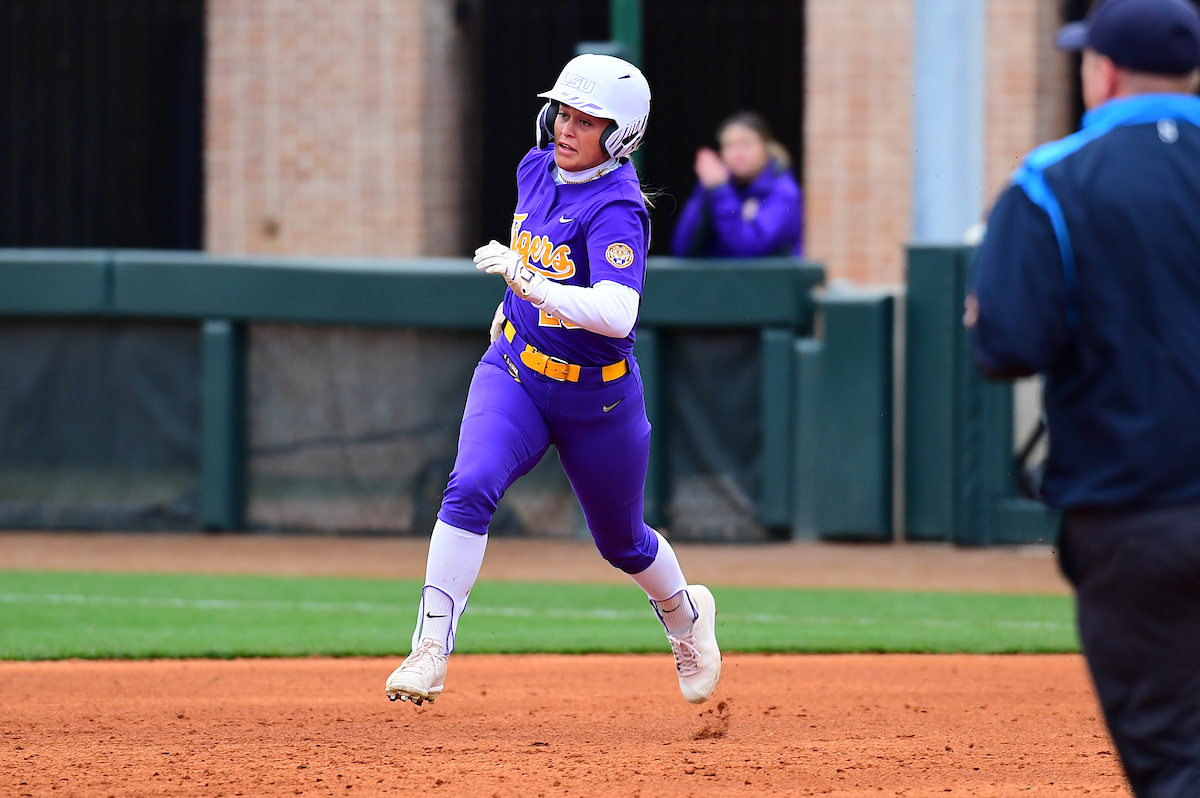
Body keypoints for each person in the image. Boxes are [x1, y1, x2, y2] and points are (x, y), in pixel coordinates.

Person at [384, 54, 722, 708]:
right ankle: (429, 648)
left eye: (587, 119)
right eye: (564, 111)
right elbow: (533, 251)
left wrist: (526, 280)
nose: (567, 127)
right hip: (514, 372)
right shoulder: (534, 168)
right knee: (470, 484)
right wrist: (510, 304)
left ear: (619, 134)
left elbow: (618, 311)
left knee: (622, 543)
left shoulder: (619, 206)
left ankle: (686, 618)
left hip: (597, 396)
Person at [966, 0, 1200, 794]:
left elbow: (1004, 347)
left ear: (1101, 71)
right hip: (1140, 512)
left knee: (1176, 762)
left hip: (1136, 516)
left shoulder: (1053, 180)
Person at [670, 112, 803, 258]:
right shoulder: (716, 187)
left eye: (746, 144)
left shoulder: (783, 191)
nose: (738, 154)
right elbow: (682, 248)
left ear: (766, 148)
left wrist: (720, 191)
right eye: (730, 145)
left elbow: (749, 250)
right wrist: (705, 189)